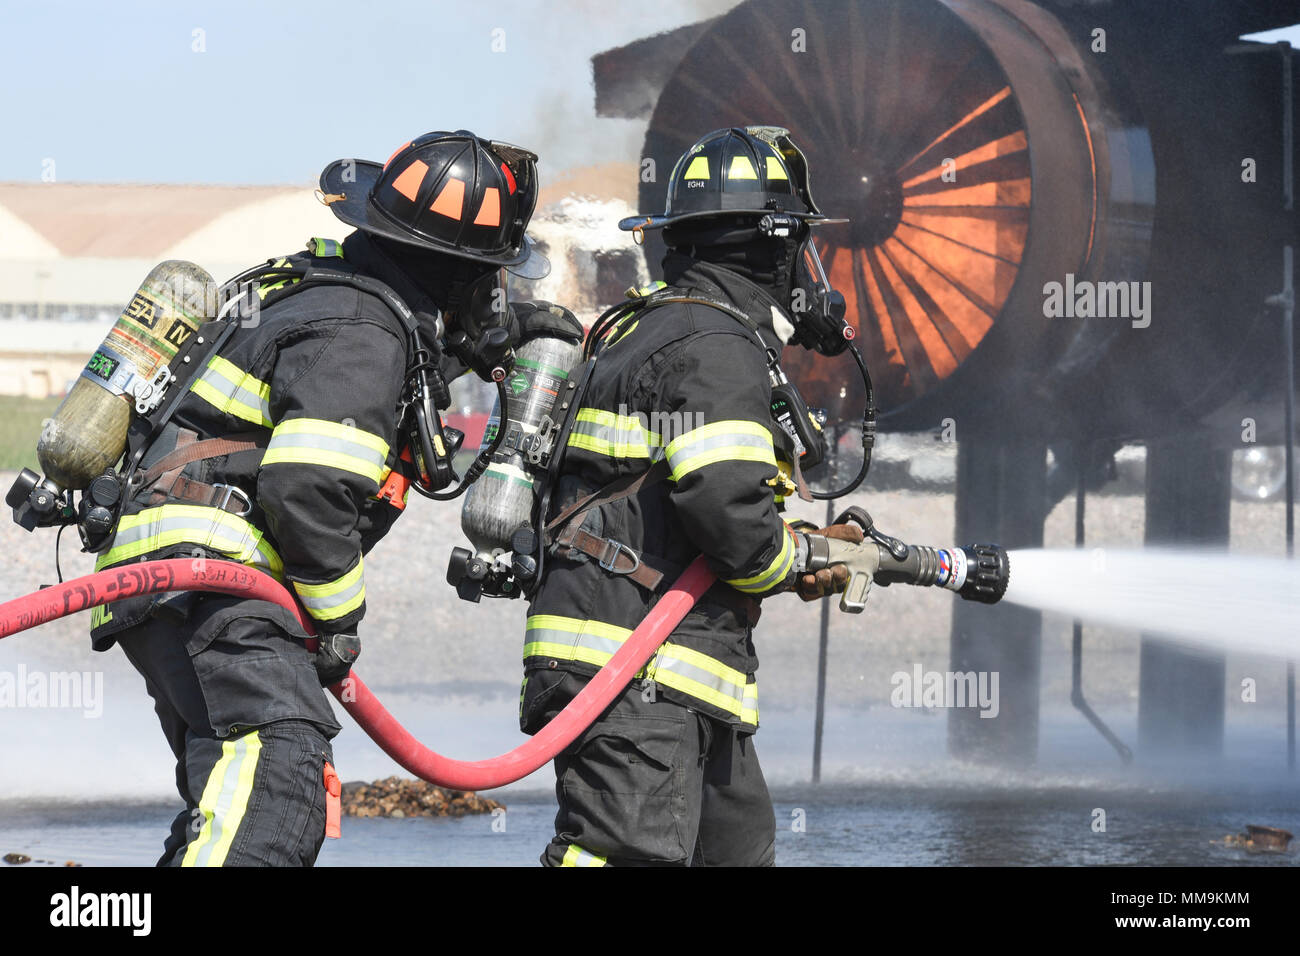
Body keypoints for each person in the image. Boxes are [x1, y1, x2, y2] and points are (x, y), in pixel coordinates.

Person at [90, 130, 549, 866]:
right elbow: (308, 488)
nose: (495, 295)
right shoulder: (362, 331)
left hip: (179, 576)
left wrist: (478, 343)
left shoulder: (335, 299)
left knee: (230, 799)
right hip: (215, 580)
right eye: (490, 277)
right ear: (455, 272)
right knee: (277, 784)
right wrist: (338, 619)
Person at [519, 126, 864, 867]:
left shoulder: (667, 327)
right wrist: (795, 557)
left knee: (735, 852)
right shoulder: (712, 342)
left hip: (680, 669)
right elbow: (725, 508)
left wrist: (792, 546)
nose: (809, 269)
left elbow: (694, 498)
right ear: (773, 247)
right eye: (800, 243)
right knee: (621, 855)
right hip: (637, 667)